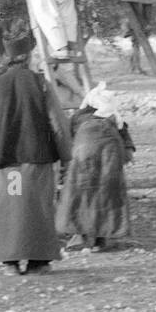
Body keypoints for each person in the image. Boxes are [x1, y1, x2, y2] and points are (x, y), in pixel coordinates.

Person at [0, 32, 70, 276]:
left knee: (13, 208)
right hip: (37, 159)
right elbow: (57, 124)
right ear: (27, 57)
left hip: (9, 162)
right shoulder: (40, 83)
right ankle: (37, 262)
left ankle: (10, 262)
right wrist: (66, 158)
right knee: (37, 208)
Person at [56, 84, 134, 252]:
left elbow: (67, 143)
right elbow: (128, 150)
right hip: (111, 154)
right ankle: (103, 238)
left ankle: (80, 236)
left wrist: (63, 172)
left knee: (81, 194)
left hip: (83, 155)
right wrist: (125, 157)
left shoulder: (78, 117)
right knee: (107, 194)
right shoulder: (116, 117)